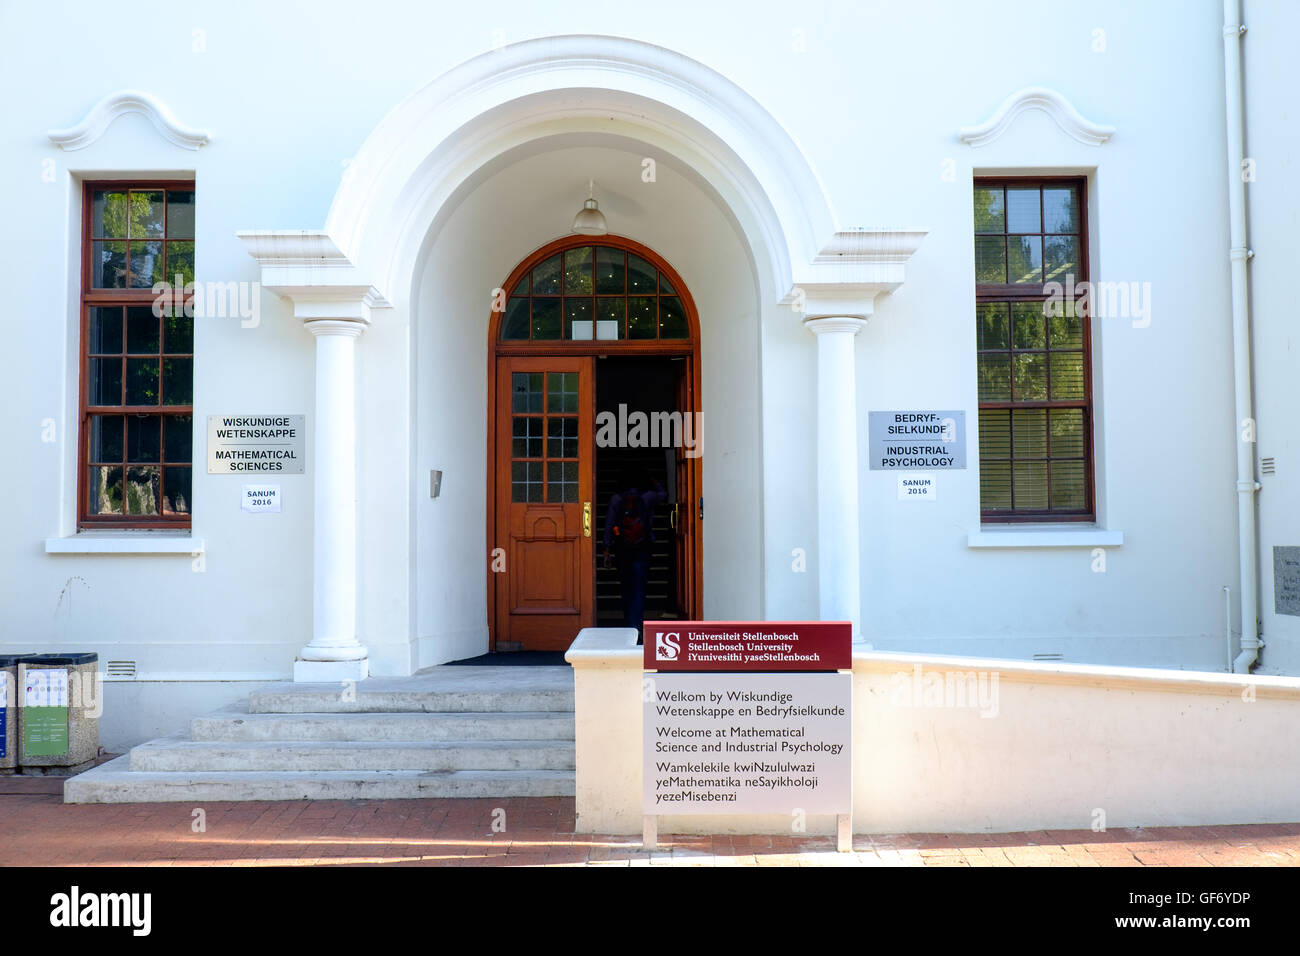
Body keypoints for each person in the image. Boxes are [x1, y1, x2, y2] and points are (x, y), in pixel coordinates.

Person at [603, 476, 668, 642]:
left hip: (622, 549)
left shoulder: (616, 499)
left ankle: (628, 625)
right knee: (639, 589)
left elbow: (609, 523)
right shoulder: (648, 497)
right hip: (643, 547)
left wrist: (606, 549)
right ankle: (637, 625)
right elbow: (664, 494)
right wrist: (655, 482)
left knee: (626, 587)